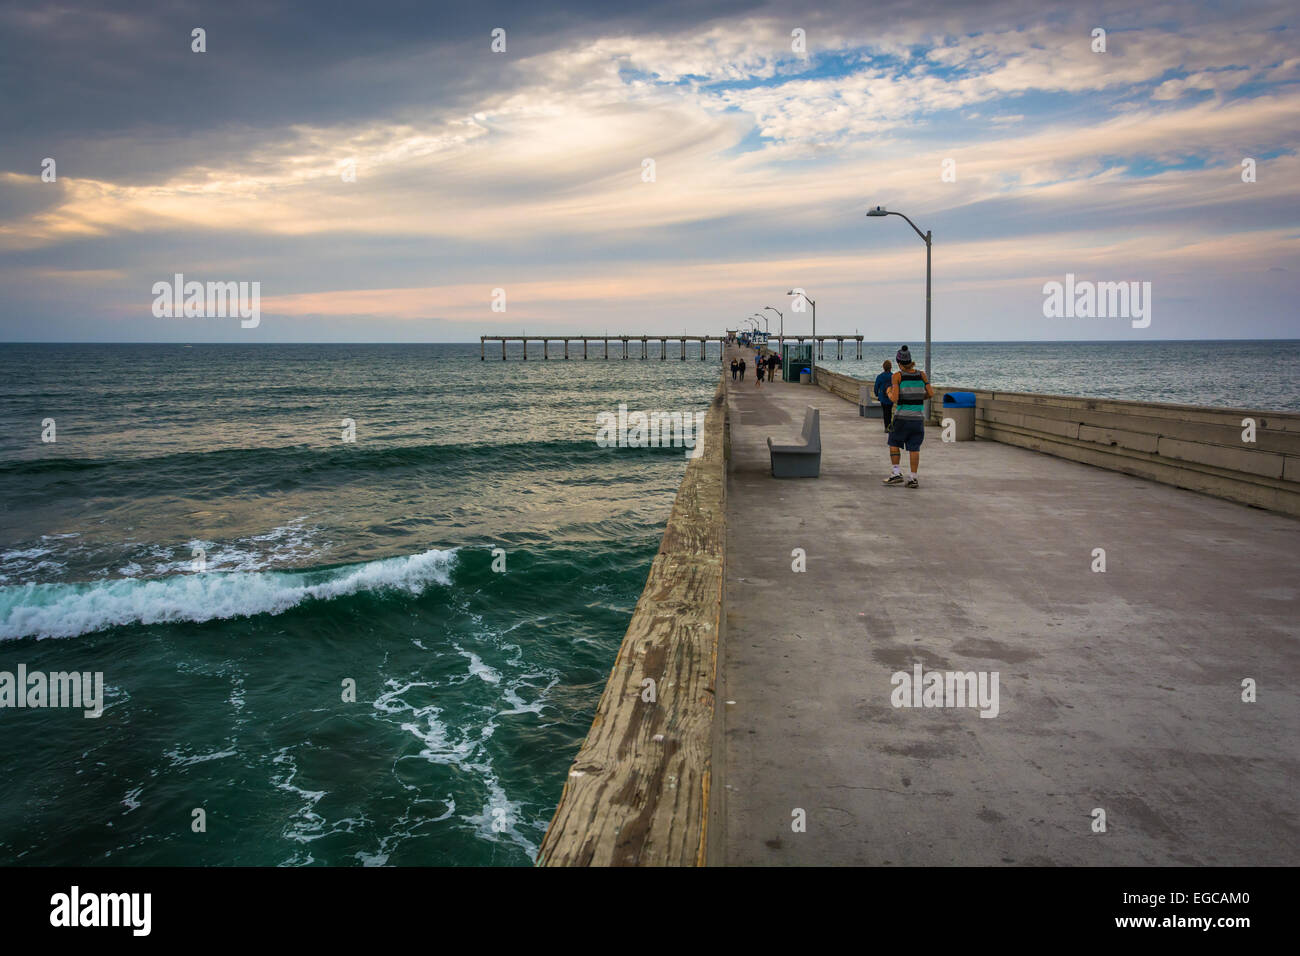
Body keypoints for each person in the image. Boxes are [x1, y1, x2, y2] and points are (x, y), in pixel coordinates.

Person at [882, 346, 933, 489]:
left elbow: (895, 398)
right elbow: (930, 393)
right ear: (910, 361)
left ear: (899, 362)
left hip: (902, 418)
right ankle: (913, 478)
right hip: (918, 418)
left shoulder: (897, 376)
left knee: (893, 443)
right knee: (914, 448)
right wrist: (917, 397)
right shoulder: (921, 375)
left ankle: (896, 473)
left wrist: (888, 391)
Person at [873, 360, 894, 432]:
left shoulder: (880, 376)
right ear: (890, 367)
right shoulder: (893, 376)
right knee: (889, 411)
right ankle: (889, 426)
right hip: (890, 397)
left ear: (883, 367)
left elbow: (876, 387)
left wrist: (876, 394)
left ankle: (886, 427)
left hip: (883, 398)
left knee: (885, 412)